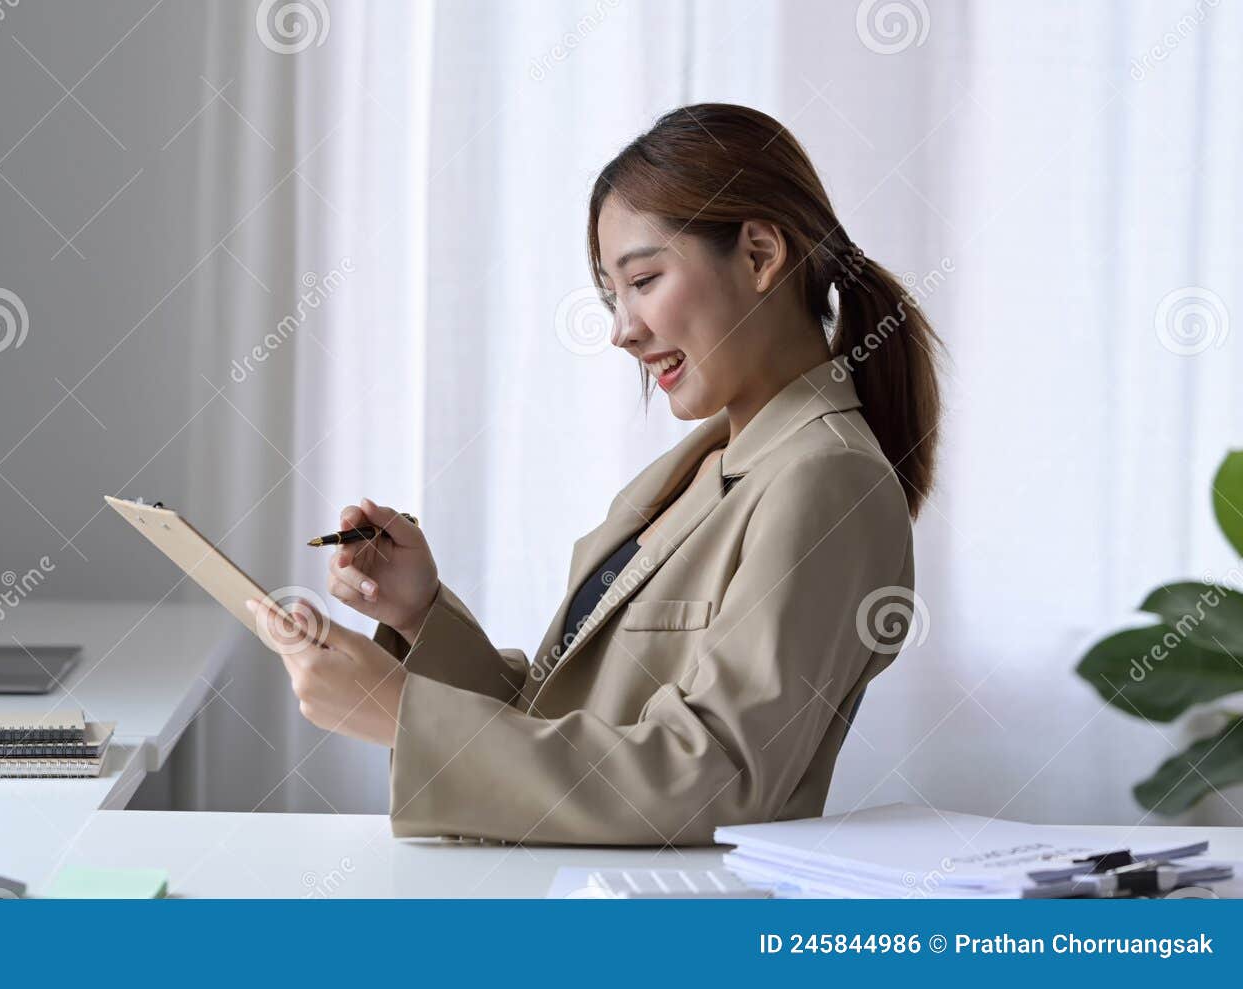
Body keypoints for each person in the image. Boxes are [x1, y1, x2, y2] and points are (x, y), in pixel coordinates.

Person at [246, 103, 941, 845]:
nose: (621, 329)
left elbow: (718, 780)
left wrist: (398, 713)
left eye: (643, 279)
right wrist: (420, 616)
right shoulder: (701, 468)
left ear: (762, 254)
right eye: (613, 296)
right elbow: (562, 724)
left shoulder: (829, 478)